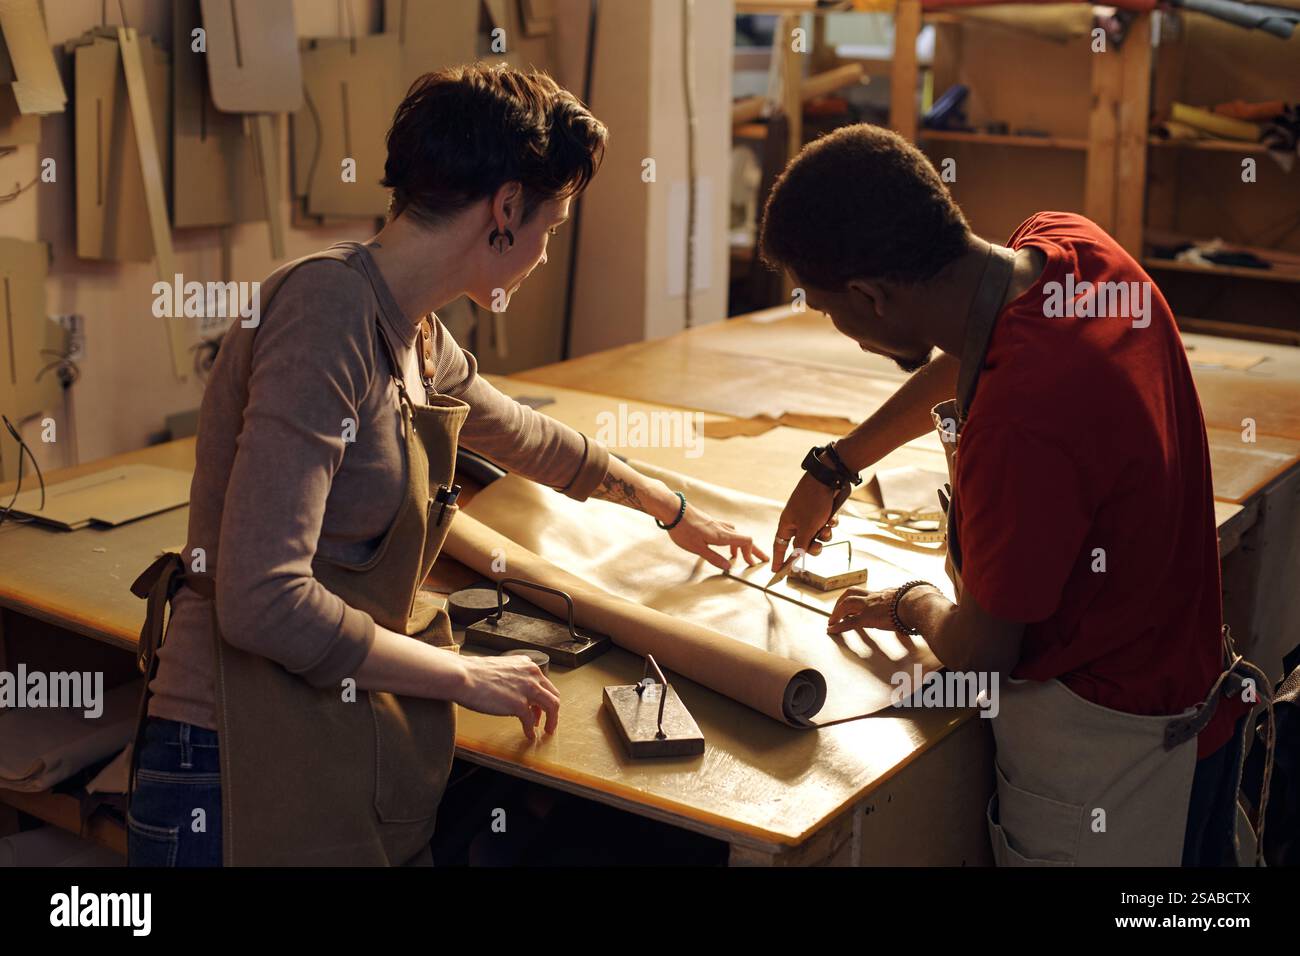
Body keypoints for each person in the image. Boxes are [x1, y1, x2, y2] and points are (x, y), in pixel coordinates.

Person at [127, 63, 766, 867]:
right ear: (505, 208)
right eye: (552, 225)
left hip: (310, 724)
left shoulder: (415, 332)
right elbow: (260, 601)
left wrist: (671, 510)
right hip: (223, 762)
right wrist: (462, 678)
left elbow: (529, 437)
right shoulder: (328, 315)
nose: (542, 254)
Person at [758, 124, 1254, 866]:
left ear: (869, 295)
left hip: (1113, 768)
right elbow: (977, 347)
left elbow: (983, 659)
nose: (839, 326)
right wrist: (837, 465)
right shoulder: (1070, 246)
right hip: (1196, 710)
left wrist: (912, 601)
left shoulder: (1020, 423)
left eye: (830, 309)